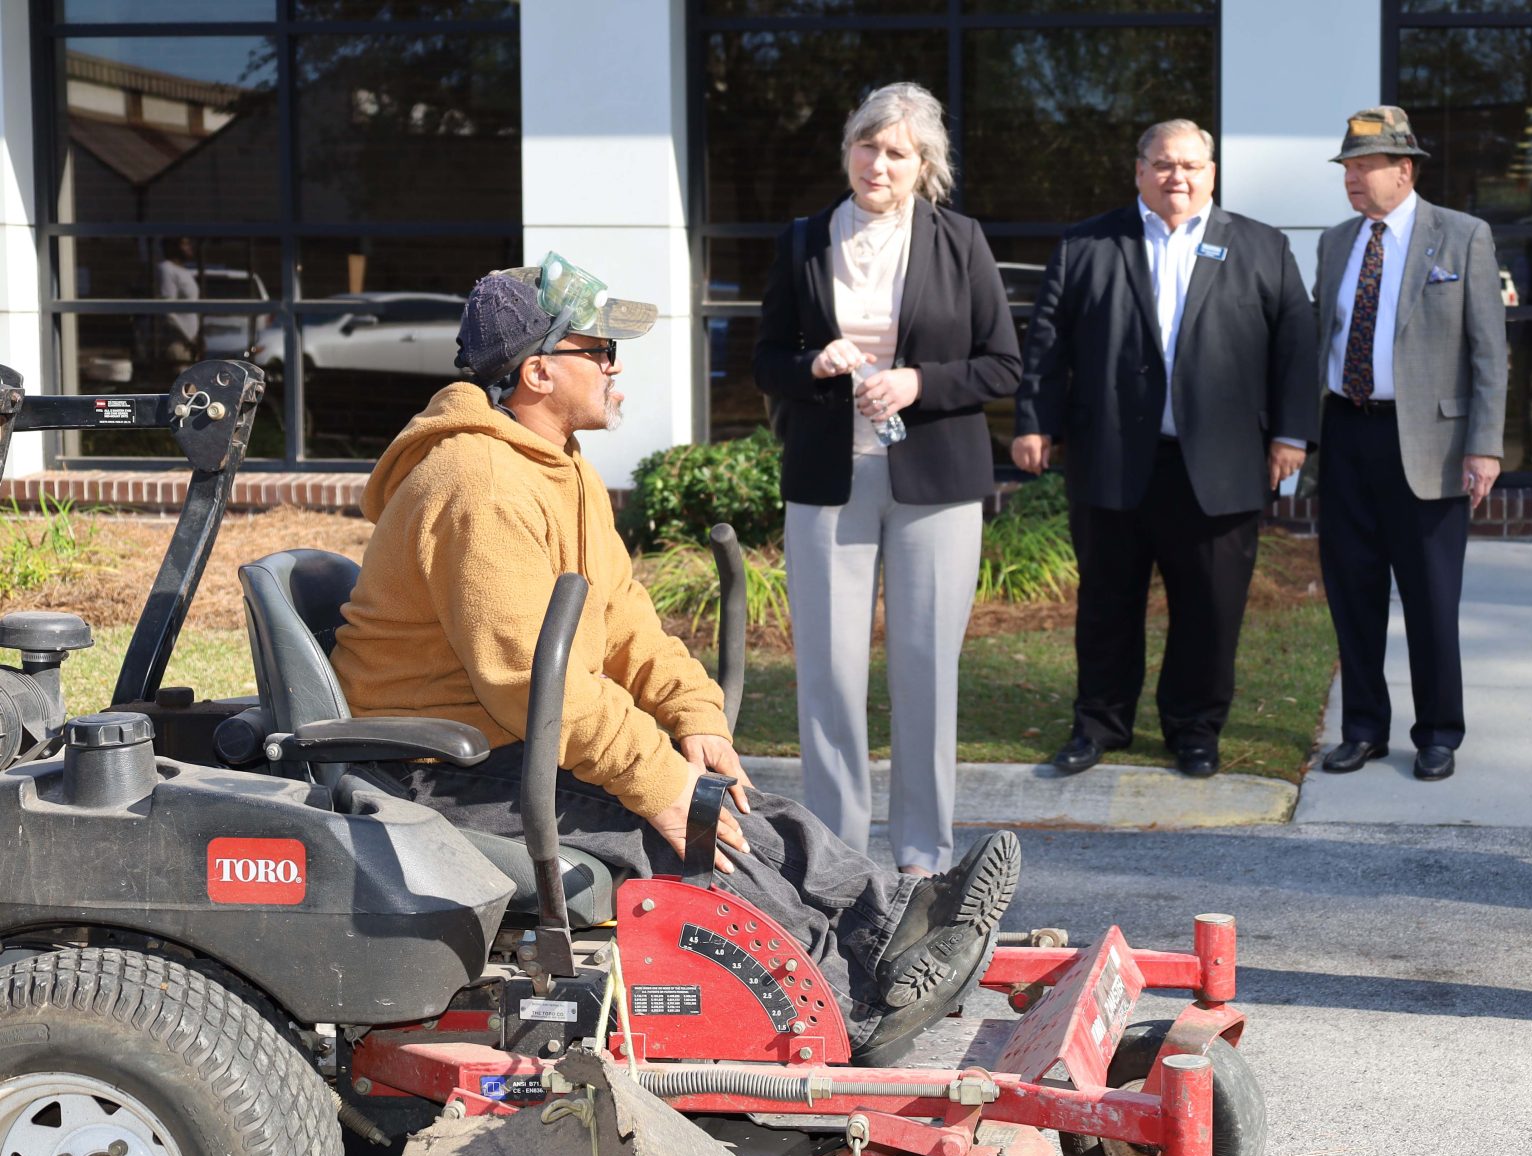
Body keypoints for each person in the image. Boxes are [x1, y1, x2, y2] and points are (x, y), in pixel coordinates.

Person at [330, 255, 1021, 1065]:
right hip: (427, 763)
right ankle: (854, 1006)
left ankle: (894, 927)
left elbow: (625, 623)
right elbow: (526, 680)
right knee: (687, 833)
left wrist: (692, 716)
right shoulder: (477, 483)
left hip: (510, 737)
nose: (617, 367)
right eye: (600, 350)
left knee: (739, 807)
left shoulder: (555, 467)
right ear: (538, 370)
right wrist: (660, 783)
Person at [754, 82, 1020, 878]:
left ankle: (921, 859)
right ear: (847, 152)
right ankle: (835, 855)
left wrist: (917, 383)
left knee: (925, 672)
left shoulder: (960, 240)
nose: (879, 162)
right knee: (829, 676)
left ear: (924, 164)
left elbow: (1002, 362)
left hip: (936, 482)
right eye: (867, 145)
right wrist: (812, 363)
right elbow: (766, 360)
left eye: (897, 151)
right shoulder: (804, 239)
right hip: (829, 481)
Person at [1014, 119, 1318, 779]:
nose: (1176, 176)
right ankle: (1099, 723)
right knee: (1106, 602)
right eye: (1161, 163)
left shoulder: (1262, 246)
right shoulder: (1087, 244)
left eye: (1189, 164)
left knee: (1210, 608)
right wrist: (1034, 422)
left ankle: (1195, 730)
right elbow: (1046, 345)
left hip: (1222, 465)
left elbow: (1298, 344)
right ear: (1138, 171)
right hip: (1113, 458)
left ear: (1211, 173)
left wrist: (1292, 433)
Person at [1312, 107, 1507, 783]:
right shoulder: (1336, 242)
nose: (1354, 180)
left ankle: (1437, 733)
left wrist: (1484, 447)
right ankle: (1363, 727)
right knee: (1352, 592)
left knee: (1429, 598)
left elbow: (1489, 350)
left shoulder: (1461, 236)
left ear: (1406, 169)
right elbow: (1323, 336)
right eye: (1349, 168)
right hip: (1346, 434)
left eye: (1367, 167)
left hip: (1431, 445)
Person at [156, 236, 201, 366]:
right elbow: (168, 310)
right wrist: (188, 338)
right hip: (178, 343)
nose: (190, 247)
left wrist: (196, 337)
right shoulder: (166, 269)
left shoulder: (185, 272)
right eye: (184, 244)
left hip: (191, 344)